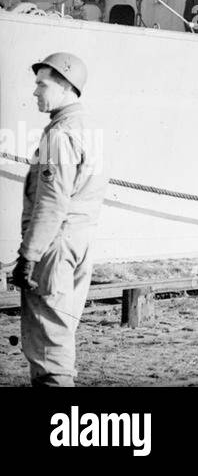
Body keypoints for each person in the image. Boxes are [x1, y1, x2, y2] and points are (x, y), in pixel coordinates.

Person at [10, 53, 106, 386]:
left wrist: (28, 256)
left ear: (65, 86)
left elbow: (51, 202)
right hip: (78, 243)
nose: (35, 92)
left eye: (42, 84)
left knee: (49, 346)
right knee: (59, 329)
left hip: (54, 247)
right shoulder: (88, 127)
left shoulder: (60, 134)